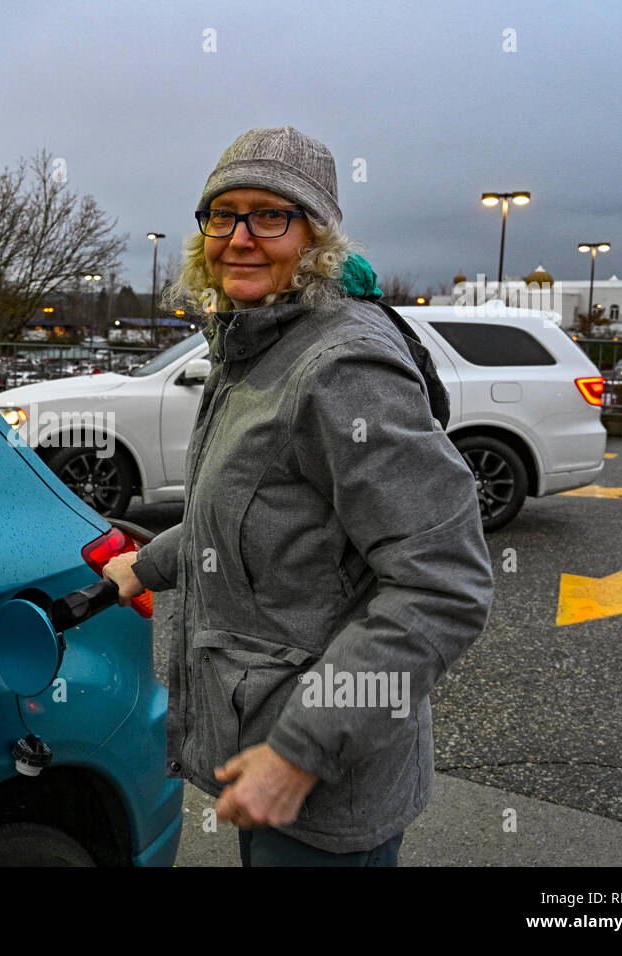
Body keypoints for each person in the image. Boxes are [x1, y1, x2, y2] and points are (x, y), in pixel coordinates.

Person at [102, 127, 494, 867]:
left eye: (270, 215)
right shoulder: (256, 342)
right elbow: (254, 518)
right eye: (223, 214)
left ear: (316, 237)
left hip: (322, 785)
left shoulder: (341, 366)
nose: (241, 237)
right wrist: (148, 565)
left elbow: (444, 584)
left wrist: (301, 752)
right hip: (265, 758)